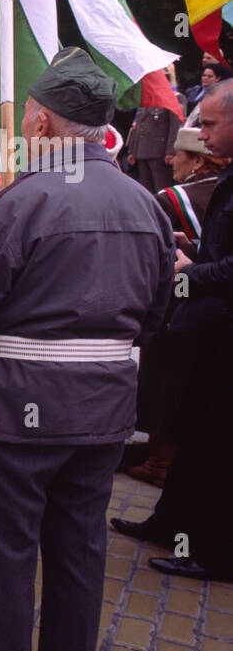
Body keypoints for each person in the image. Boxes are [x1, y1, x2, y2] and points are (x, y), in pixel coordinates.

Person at [0, 47, 174, 651]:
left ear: (40, 125)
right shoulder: (147, 206)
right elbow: (156, 316)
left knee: (5, 560)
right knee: (78, 559)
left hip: (15, 414)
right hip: (102, 416)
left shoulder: (24, 201)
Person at [124, 80, 233, 582]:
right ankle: (172, 525)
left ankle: (214, 551)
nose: (199, 134)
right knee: (192, 433)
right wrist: (193, 245)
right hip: (206, 331)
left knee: (215, 443)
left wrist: (190, 272)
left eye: (209, 124)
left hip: (220, 333)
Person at [121, 126, 229, 486]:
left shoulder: (171, 199)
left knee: (167, 387)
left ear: (198, 160)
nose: (171, 160)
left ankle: (159, 463)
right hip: (214, 313)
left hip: (177, 309)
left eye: (179, 155)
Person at [125, 101, 182, 193]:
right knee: (145, 189)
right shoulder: (147, 101)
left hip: (159, 153)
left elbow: (175, 127)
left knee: (162, 188)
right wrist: (132, 151)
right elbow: (138, 127)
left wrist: (171, 152)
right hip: (142, 152)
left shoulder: (171, 99)